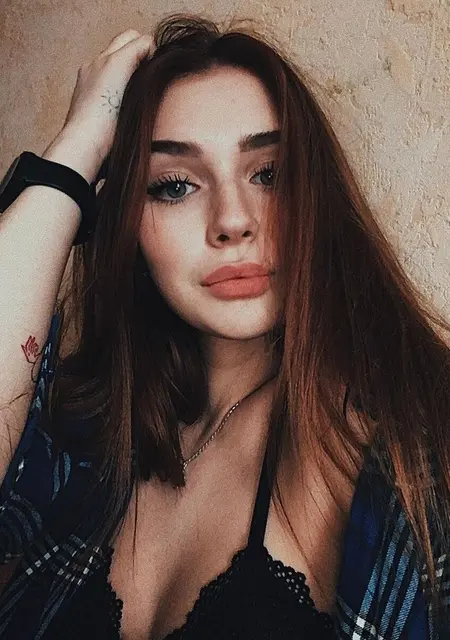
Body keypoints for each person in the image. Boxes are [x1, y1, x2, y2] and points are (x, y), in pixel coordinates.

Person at [0, 12, 449, 639]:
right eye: (174, 186)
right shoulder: (83, 435)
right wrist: (75, 150)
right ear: (125, 220)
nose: (233, 221)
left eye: (270, 175)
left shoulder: (407, 445)